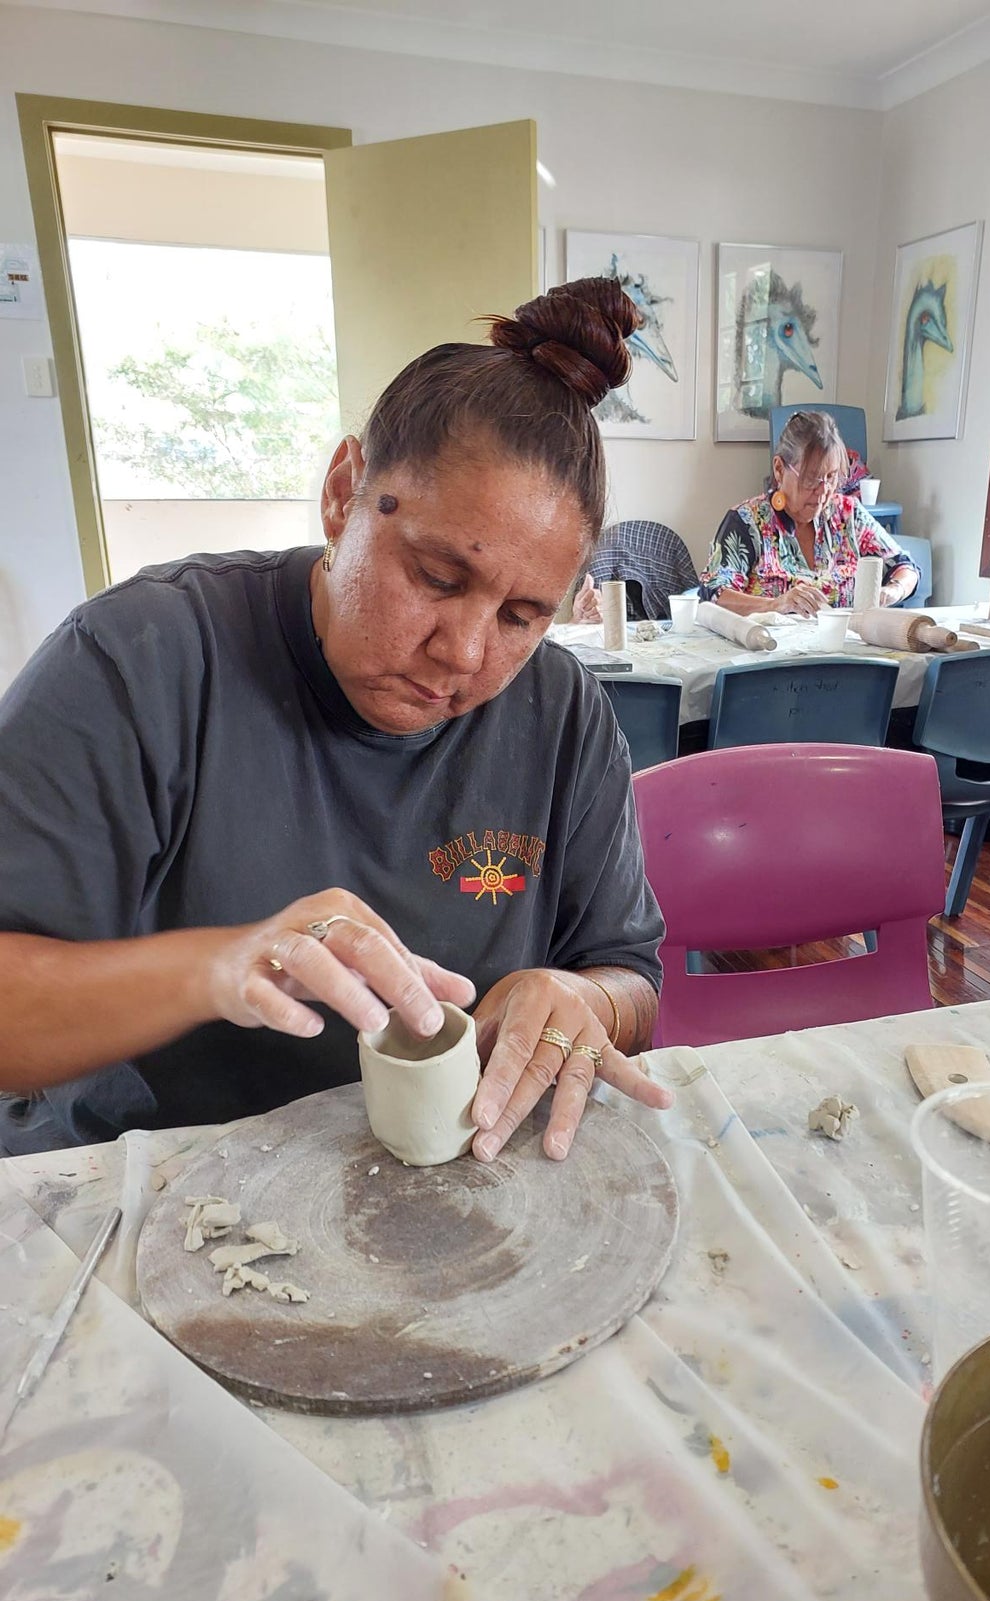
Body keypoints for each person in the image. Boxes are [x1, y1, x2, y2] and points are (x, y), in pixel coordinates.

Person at [0, 278, 673, 1160]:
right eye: (437, 577)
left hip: (441, 1172)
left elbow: (632, 977)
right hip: (151, 1172)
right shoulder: (143, 661)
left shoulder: (562, 713)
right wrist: (222, 966)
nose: (465, 653)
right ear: (343, 491)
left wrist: (581, 1000)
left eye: (522, 616)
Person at [701, 411, 920, 615]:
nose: (823, 491)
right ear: (779, 469)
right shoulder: (748, 522)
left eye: (832, 477)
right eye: (811, 479)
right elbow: (713, 595)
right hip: (771, 651)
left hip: (844, 650)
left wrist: (893, 591)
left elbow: (905, 566)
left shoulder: (848, 515)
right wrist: (777, 605)